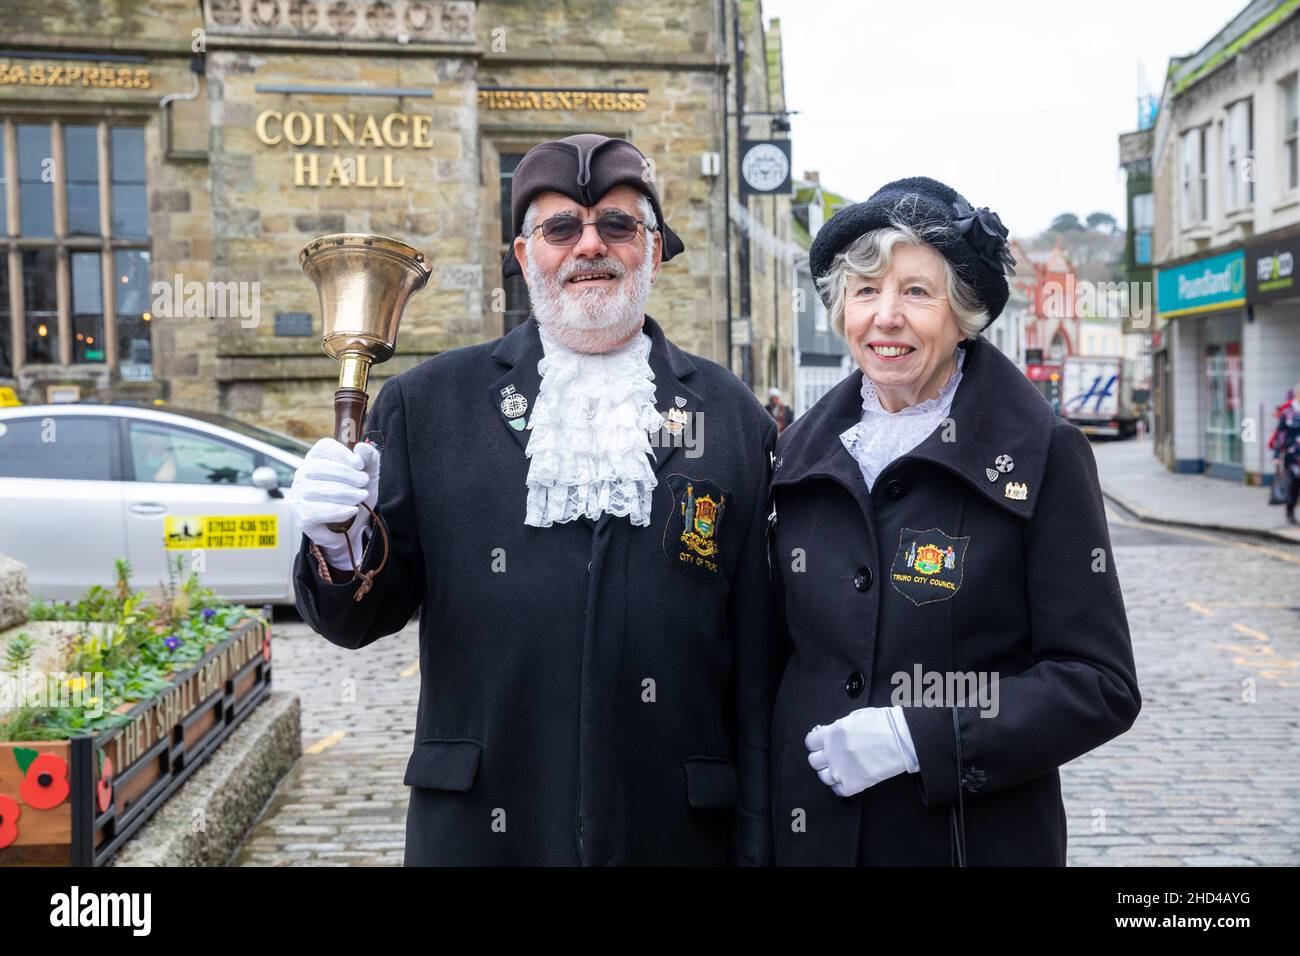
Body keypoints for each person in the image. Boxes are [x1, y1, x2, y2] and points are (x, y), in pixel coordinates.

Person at [289, 134, 781, 866]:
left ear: (651, 248)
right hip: (482, 832)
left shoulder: (730, 412)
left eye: (616, 225)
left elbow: (758, 663)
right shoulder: (429, 405)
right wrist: (336, 541)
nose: (590, 246)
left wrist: (758, 841)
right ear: (524, 257)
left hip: (675, 833)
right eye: (560, 228)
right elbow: (360, 618)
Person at [767, 177, 1142, 866]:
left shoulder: (1044, 454)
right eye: (865, 291)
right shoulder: (793, 457)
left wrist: (920, 737)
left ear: (962, 312)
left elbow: (1099, 685)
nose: (885, 317)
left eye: (916, 292)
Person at [1270, 384, 1300, 524]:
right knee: (1294, 485)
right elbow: (1281, 435)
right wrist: (1276, 456)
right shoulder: (1288, 412)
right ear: (1296, 395)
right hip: (1293, 456)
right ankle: (1290, 511)